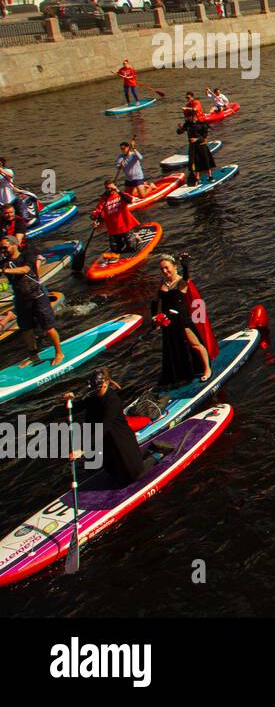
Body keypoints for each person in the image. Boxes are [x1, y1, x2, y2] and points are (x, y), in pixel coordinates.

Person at [65, 369, 146, 485]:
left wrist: (82, 449)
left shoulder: (112, 401)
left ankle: (155, 455)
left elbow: (103, 427)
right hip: (106, 445)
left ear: (106, 383)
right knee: (114, 474)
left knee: (133, 475)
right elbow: (74, 408)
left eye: (98, 387)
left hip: (121, 443)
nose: (95, 390)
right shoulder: (93, 396)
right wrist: (68, 401)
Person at [152, 253, 215, 385]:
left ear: (175, 267)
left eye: (167, 267)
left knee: (195, 344)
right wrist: (154, 317)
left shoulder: (181, 282)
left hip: (181, 319)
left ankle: (207, 369)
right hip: (168, 321)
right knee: (173, 348)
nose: (165, 271)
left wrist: (185, 266)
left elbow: (186, 277)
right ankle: (180, 374)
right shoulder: (162, 283)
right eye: (162, 269)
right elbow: (155, 301)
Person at [1, 233, 61, 366]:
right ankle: (33, 356)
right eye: (1, 248)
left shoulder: (27, 256)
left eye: (5, 247)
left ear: (15, 245)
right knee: (26, 330)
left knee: (48, 327)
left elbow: (25, 269)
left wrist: (5, 271)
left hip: (37, 296)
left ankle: (59, 353)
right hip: (21, 299)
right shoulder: (4, 262)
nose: (3, 251)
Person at [91, 180, 141, 255]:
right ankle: (131, 238)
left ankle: (134, 236)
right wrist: (95, 220)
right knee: (116, 250)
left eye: (111, 188)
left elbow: (129, 200)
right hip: (113, 230)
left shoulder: (121, 195)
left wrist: (117, 191)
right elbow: (97, 212)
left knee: (132, 248)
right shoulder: (103, 200)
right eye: (107, 188)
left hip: (125, 226)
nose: (110, 190)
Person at [177, 108, 217, 183]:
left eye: (188, 117)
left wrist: (197, 139)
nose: (187, 118)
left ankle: (210, 176)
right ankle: (197, 178)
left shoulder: (201, 124)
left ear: (194, 117)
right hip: (193, 147)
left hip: (201, 146)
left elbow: (204, 138)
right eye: (187, 117)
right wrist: (179, 128)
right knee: (195, 162)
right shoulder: (187, 124)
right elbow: (179, 132)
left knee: (206, 161)